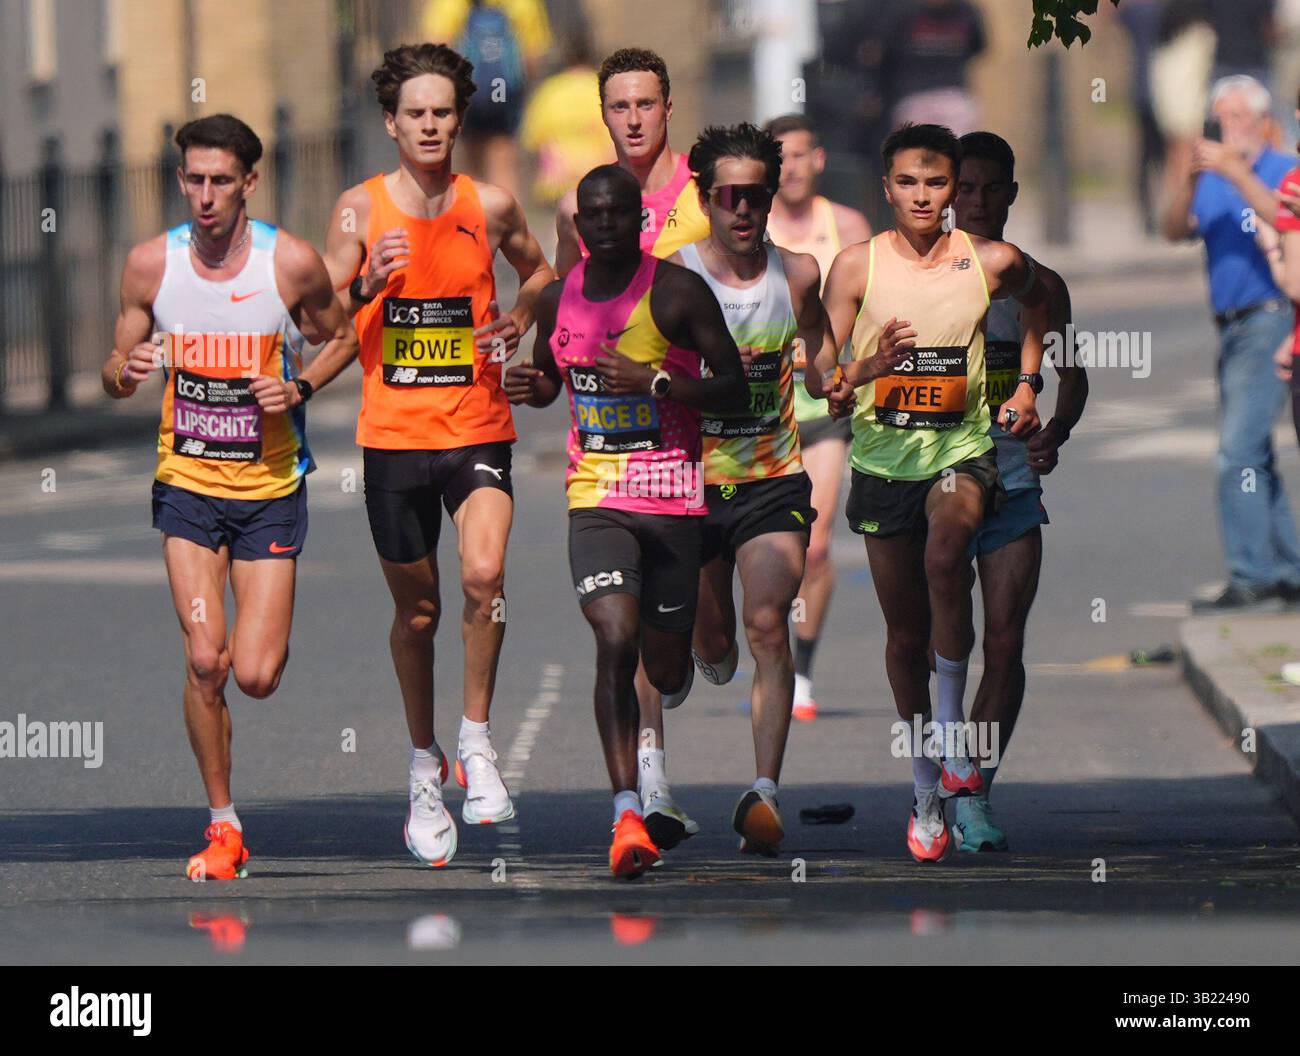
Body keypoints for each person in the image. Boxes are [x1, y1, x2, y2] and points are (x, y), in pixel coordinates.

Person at [101, 113, 359, 880]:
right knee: (206, 658)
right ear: (180, 180)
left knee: (254, 673)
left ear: (250, 182)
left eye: (220, 181)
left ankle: (250, 659)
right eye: (193, 180)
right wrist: (129, 367)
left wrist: (300, 384)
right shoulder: (153, 265)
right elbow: (114, 370)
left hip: (271, 491)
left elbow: (339, 336)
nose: (205, 196)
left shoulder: (290, 264)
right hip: (187, 485)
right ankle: (223, 825)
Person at [323, 43, 553, 868]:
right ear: (391, 123)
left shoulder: (488, 203)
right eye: (414, 113)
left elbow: (540, 271)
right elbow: (322, 323)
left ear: (461, 117)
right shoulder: (358, 211)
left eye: (443, 112)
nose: (429, 125)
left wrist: (521, 316)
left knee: (485, 576)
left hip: (477, 424)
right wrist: (364, 287)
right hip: (393, 439)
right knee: (417, 613)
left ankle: (477, 739)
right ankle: (426, 765)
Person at [807, 123, 1049, 863]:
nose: (924, 197)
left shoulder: (991, 260)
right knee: (905, 637)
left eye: (937, 183)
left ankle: (952, 743)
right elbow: (823, 375)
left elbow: (1045, 300)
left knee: (949, 556)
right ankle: (925, 781)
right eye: (909, 183)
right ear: (887, 188)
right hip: (884, 467)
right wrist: (865, 367)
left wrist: (1033, 382)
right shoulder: (856, 266)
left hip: (962, 454)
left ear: (951, 189)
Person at [503, 164, 748, 877]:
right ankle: (625, 813)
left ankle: (679, 655)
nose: (605, 225)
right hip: (598, 496)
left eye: (618, 213)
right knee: (613, 636)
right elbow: (554, 381)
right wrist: (533, 385)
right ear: (578, 226)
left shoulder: (676, 293)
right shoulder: (558, 299)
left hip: (673, 499)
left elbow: (733, 389)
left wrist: (660, 381)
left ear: (637, 221)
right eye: (593, 216)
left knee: (665, 668)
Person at [553, 46, 712, 848]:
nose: (633, 119)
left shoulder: (706, 197)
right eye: (619, 107)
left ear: (668, 107)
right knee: (619, 630)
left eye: (646, 104)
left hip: (712, 450)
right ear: (604, 113)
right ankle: (646, 786)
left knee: (691, 644)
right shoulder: (578, 208)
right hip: (612, 469)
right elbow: (560, 307)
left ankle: (697, 645)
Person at [662, 123, 825, 855]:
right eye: (729, 195)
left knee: (766, 621)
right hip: (690, 485)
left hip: (770, 479)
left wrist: (860, 371)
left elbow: (823, 368)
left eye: (756, 194)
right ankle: (705, 649)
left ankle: (764, 793)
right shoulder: (672, 277)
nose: (744, 209)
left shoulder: (797, 274)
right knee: (717, 641)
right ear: (704, 198)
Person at [951, 131, 1089, 852]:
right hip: (932, 480)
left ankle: (974, 788)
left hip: (1010, 481)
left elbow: (1074, 377)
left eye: (989, 189)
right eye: (962, 189)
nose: (975, 202)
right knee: (939, 643)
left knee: (1004, 643)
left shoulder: (1041, 284)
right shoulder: (921, 274)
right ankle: (932, 783)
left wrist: (1054, 433)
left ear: (1010, 193)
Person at [1164, 74, 1300, 611]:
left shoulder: (1279, 168)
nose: (1230, 128)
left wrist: (1237, 171)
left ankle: (1253, 575)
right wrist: (1187, 180)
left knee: (1236, 452)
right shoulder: (1216, 175)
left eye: (1241, 117)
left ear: (1266, 122)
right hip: (1230, 323)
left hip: (1272, 319)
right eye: (1221, 118)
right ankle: (1288, 567)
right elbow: (1174, 229)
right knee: (1255, 454)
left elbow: (1283, 216)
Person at [764, 113, 872, 722]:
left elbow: (869, 303)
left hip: (825, 404)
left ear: (820, 160)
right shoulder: (750, 226)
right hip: (766, 407)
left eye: (802, 154)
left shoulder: (848, 226)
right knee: (758, 544)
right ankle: (763, 641)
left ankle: (800, 671)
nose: (793, 166)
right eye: (781, 156)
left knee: (818, 542)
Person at [421, 0, 553, 198]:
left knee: (472, 165)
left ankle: (475, 221)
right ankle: (507, 223)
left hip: (469, 94)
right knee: (504, 163)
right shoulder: (524, 4)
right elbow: (533, 56)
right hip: (503, 94)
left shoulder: (450, 4)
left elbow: (437, 47)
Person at [519, 32, 613, 206]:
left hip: (558, 182)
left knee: (561, 229)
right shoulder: (607, 90)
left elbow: (534, 140)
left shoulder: (549, 91)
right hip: (599, 179)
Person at [881, 0, 987, 136]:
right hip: (913, 95)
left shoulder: (967, 11)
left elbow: (979, 45)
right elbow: (889, 49)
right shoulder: (905, 11)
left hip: (953, 94)